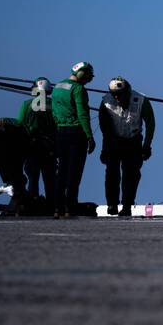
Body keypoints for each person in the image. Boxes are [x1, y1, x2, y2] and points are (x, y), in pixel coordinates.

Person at [99, 76, 156, 217]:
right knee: (112, 173)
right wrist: (104, 148)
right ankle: (112, 204)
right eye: (114, 95)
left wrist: (147, 145)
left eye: (120, 94)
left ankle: (127, 205)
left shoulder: (141, 100)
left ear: (128, 92)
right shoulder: (105, 102)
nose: (117, 98)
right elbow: (104, 127)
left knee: (131, 175)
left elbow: (151, 123)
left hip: (133, 142)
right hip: (113, 142)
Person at [51, 61, 96, 218]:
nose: (88, 80)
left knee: (61, 172)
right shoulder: (78, 89)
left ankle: (57, 208)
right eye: (88, 77)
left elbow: (54, 112)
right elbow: (83, 114)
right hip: (76, 133)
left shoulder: (57, 87)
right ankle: (70, 207)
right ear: (81, 73)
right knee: (74, 173)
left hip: (60, 133)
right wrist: (89, 136)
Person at [18, 77, 56, 209]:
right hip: (49, 148)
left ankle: (32, 204)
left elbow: (20, 125)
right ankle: (52, 205)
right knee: (50, 179)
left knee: (32, 178)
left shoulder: (26, 104)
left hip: (31, 147)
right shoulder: (55, 104)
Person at [0, 117, 29, 215]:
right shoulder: (17, 132)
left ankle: (18, 201)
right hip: (9, 143)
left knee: (13, 175)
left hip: (7, 142)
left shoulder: (13, 130)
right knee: (14, 175)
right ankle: (19, 203)